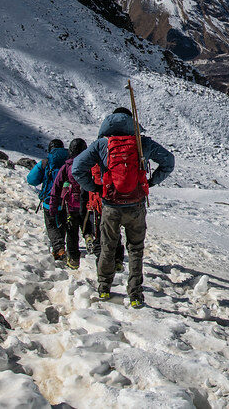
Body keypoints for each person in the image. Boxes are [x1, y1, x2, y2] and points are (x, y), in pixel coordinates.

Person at [73, 107, 174, 309]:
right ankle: (135, 294)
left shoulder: (102, 145)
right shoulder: (142, 143)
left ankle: (104, 287)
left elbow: (77, 168)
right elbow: (169, 161)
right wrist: (151, 182)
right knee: (135, 249)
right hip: (136, 205)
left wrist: (95, 188)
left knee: (108, 246)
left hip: (110, 206)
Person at [27, 139, 69, 261]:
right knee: (62, 223)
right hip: (65, 200)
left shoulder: (45, 163)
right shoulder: (69, 162)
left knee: (51, 225)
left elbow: (31, 179)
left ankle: (58, 248)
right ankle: (61, 246)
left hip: (49, 200)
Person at [48, 138, 88, 270]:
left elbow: (56, 188)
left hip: (70, 205)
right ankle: (91, 240)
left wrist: (53, 208)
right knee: (89, 228)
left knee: (72, 233)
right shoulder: (89, 165)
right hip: (87, 206)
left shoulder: (66, 167)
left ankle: (73, 260)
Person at [81, 163, 125, 269]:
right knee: (115, 233)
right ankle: (117, 259)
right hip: (115, 203)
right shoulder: (113, 162)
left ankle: (103, 266)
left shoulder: (92, 166)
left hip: (99, 206)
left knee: (101, 236)